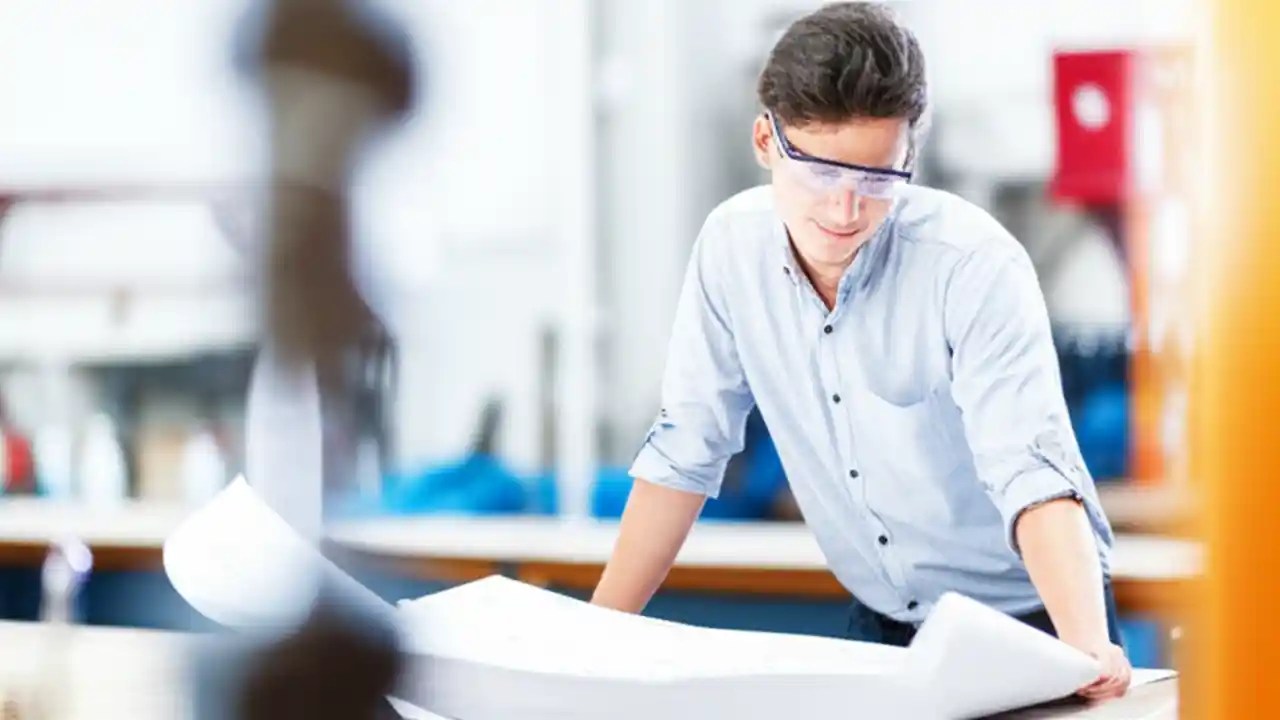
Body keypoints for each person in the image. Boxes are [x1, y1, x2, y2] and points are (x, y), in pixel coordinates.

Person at [590, 1, 1131, 701]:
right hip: (882, 625)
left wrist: (1085, 648)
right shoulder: (730, 250)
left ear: (909, 154)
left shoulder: (971, 264)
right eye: (820, 174)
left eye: (877, 181)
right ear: (766, 140)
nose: (846, 212)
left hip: (1031, 625)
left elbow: (1029, 470)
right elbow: (685, 450)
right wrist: (597, 642)